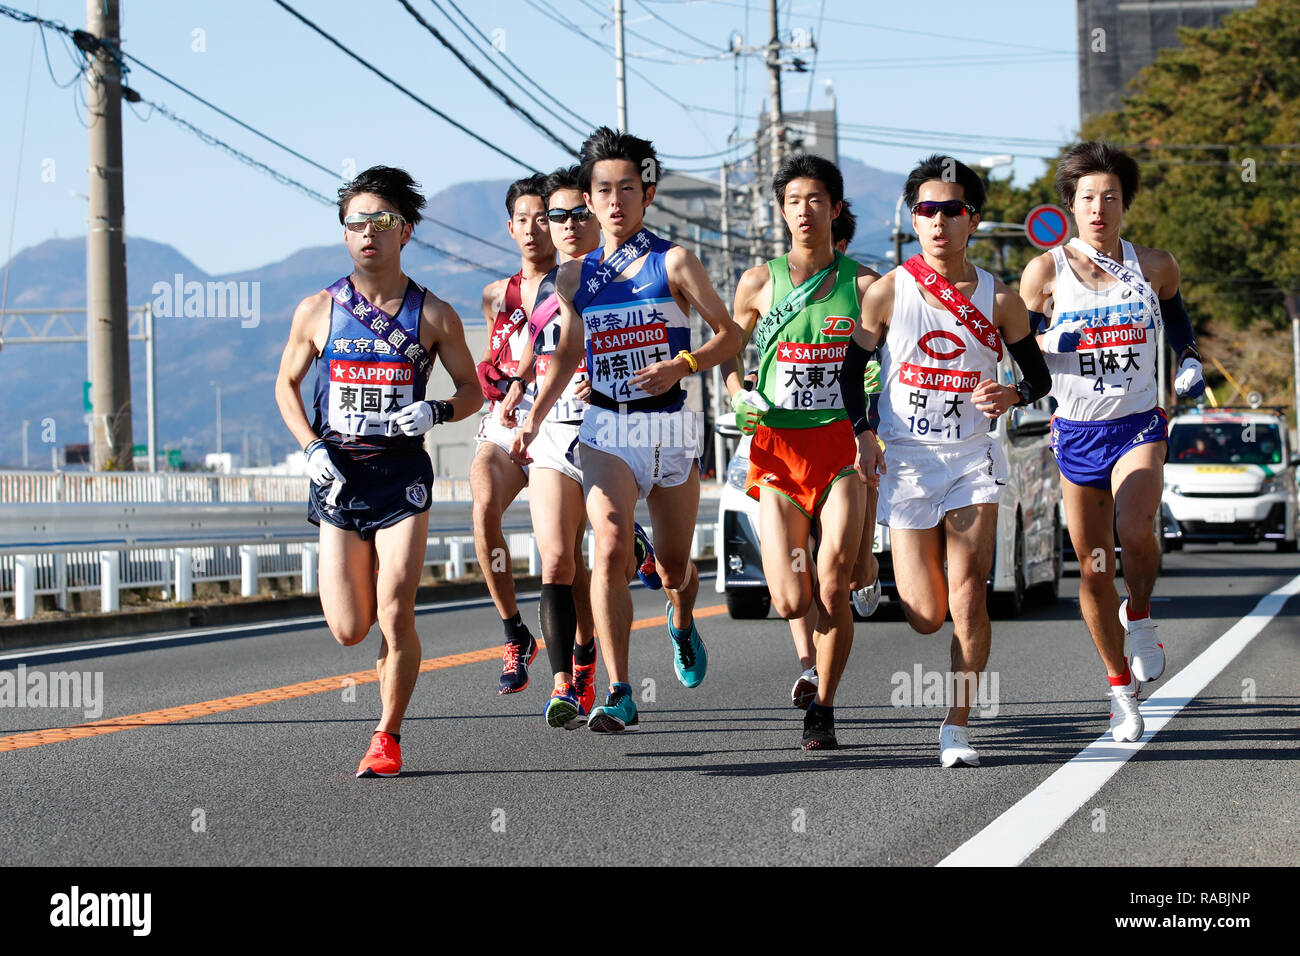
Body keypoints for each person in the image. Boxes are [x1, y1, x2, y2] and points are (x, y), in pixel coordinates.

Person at [512, 127, 742, 733]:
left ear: (649, 194)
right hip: (608, 426)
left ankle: (682, 619)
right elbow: (565, 355)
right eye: (603, 190)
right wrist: (533, 418)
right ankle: (618, 690)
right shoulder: (573, 278)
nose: (615, 201)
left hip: (670, 429)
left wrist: (682, 364)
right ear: (588, 198)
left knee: (671, 569)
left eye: (628, 190)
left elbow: (730, 334)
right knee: (610, 545)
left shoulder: (675, 262)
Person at [840, 154, 1051, 767]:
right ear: (913, 218)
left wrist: (1012, 392)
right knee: (928, 615)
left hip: (972, 461)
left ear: (972, 220)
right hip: (907, 462)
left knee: (967, 596)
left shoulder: (1001, 299)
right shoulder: (887, 292)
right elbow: (852, 371)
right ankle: (870, 574)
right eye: (926, 211)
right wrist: (862, 433)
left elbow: (1036, 376)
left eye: (950, 211)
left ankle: (956, 725)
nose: (938, 222)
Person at [274, 165, 479, 777]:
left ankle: (386, 736)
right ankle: (381, 698)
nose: (368, 233)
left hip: (401, 475)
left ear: (405, 231)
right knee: (348, 628)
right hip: (337, 472)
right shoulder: (317, 309)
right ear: (344, 234)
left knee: (395, 610)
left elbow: (474, 389)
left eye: (382, 222)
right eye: (356, 223)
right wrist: (311, 449)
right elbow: (286, 386)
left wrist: (436, 409)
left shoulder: (433, 314)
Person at [1019, 141, 1205, 743]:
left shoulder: (1154, 265)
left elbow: (1176, 317)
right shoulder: (1046, 271)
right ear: (1070, 205)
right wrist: (1049, 347)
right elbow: (1015, 344)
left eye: (1111, 197)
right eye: (1088, 198)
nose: (1099, 208)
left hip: (1139, 423)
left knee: (1135, 531)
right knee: (1095, 569)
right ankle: (1120, 689)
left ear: (1126, 204)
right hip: (1076, 432)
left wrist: (1188, 359)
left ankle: (1143, 614)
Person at [725, 155, 880, 749]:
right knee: (792, 594)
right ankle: (811, 656)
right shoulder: (758, 283)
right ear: (781, 210)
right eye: (794, 201)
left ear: (835, 208)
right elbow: (729, 355)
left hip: (839, 446)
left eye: (817, 199)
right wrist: (739, 395)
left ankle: (824, 707)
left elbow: (880, 370)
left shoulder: (865, 286)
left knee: (833, 581)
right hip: (779, 451)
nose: (805, 210)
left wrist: (871, 426)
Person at [496, 165, 603, 727]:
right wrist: (520, 400)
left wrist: (610, 380)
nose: (562, 225)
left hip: (616, 432)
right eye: (553, 215)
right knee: (558, 558)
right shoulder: (545, 288)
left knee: (614, 560)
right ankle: (565, 682)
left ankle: (673, 617)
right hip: (556, 432)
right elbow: (536, 358)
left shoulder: (628, 278)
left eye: (573, 214)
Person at [473, 174, 556, 696]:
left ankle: (579, 665)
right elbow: (493, 358)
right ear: (509, 227)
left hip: (561, 419)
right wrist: (492, 379)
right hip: (507, 420)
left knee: (562, 554)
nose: (532, 229)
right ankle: (514, 633)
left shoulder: (576, 284)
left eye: (543, 218)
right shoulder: (494, 296)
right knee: (482, 507)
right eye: (522, 220)